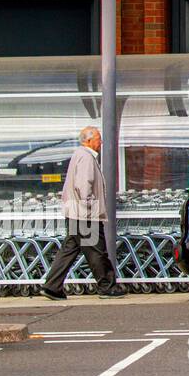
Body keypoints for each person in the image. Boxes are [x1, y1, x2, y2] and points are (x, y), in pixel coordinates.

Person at [39, 126, 124, 300]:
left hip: (75, 214)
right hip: (85, 215)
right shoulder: (86, 158)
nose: (101, 142)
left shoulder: (79, 155)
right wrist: (91, 207)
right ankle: (106, 287)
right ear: (89, 141)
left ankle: (52, 286)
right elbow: (83, 186)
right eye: (98, 139)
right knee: (97, 251)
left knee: (69, 250)